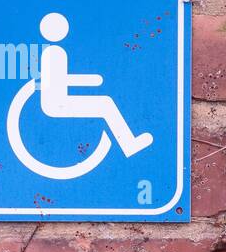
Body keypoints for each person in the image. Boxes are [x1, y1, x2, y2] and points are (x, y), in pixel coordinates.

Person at [36, 12, 153, 157]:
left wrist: (91, 80)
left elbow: (61, 80)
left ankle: (129, 143)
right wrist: (92, 80)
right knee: (105, 104)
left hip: (59, 101)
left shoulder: (53, 51)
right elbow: (59, 81)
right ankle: (129, 144)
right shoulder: (54, 53)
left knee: (105, 103)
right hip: (57, 104)